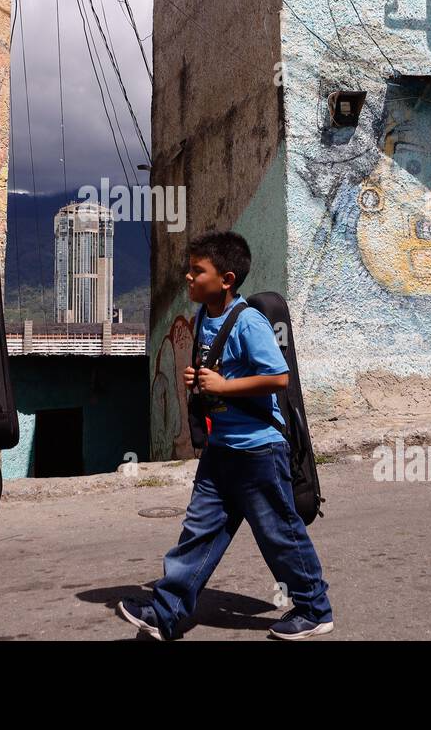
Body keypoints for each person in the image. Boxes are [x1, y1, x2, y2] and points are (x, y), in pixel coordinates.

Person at [117, 231, 333, 639]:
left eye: (198, 271)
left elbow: (278, 377)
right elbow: (218, 373)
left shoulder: (249, 320)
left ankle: (315, 608)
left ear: (227, 279)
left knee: (279, 534)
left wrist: (223, 387)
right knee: (199, 531)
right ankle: (166, 612)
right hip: (222, 449)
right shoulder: (203, 318)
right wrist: (199, 380)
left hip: (257, 450)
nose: (188, 277)